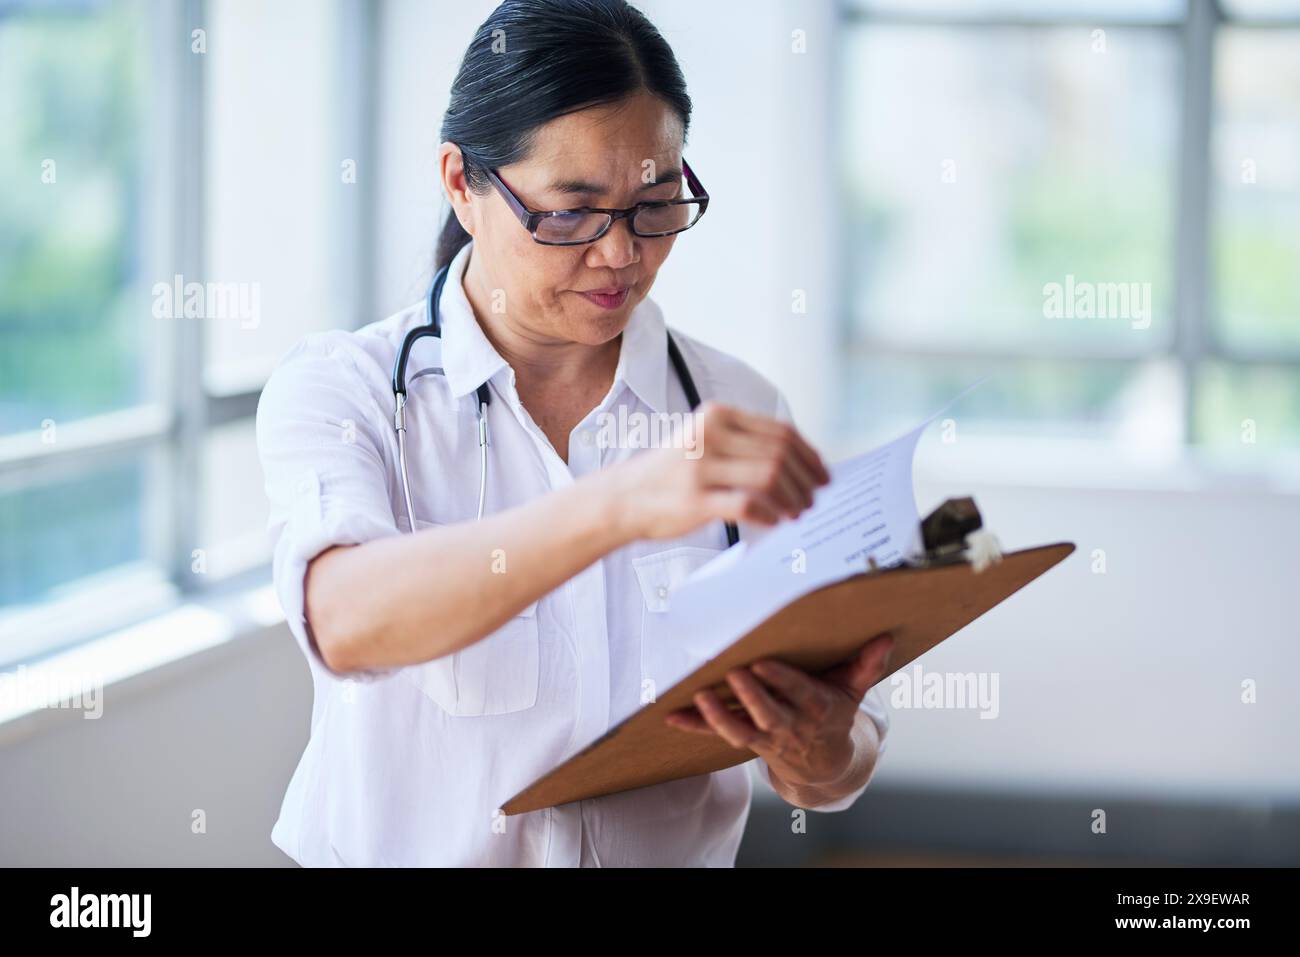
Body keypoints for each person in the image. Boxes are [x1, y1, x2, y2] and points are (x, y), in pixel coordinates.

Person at [255, 0, 892, 867]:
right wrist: (619, 502)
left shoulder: (737, 404)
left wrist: (824, 757)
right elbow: (342, 618)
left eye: (656, 204)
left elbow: (839, 754)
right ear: (460, 183)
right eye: (571, 213)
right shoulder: (345, 391)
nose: (621, 254)